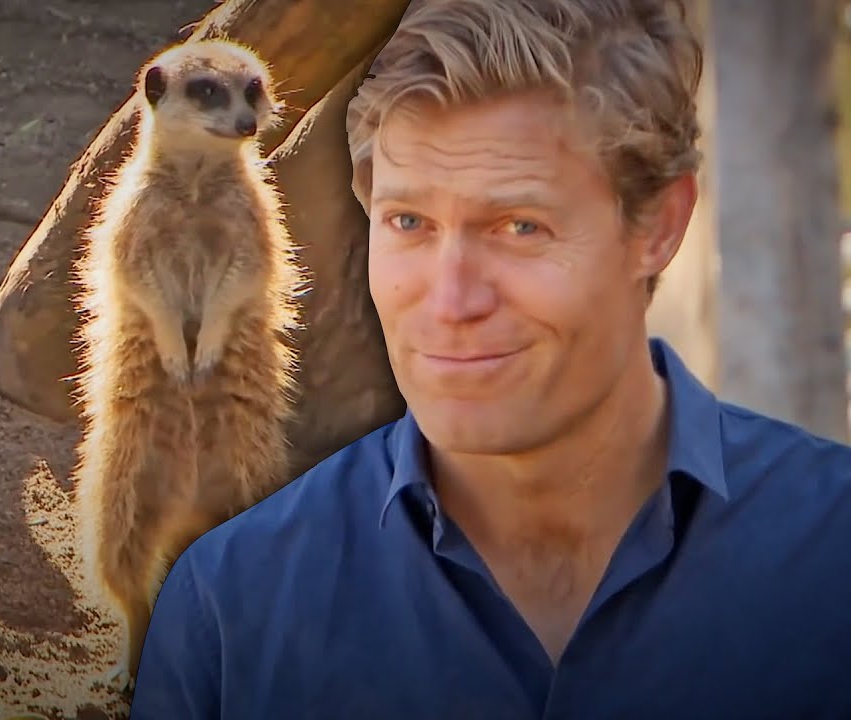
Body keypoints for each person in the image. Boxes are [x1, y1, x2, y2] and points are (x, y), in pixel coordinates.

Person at [126, 0, 851, 717]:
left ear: (658, 228)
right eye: (408, 222)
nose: (450, 301)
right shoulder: (229, 609)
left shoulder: (828, 552)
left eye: (519, 226)